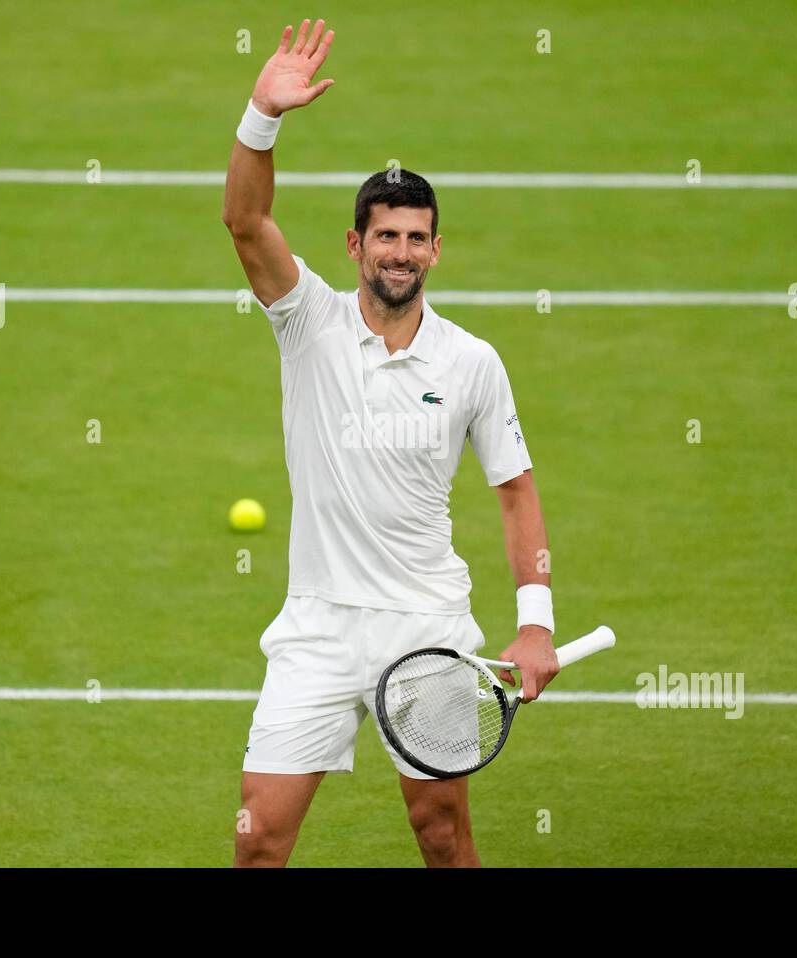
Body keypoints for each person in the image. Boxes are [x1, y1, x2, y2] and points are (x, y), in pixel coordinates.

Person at [222, 19, 559, 868]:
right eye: (385, 235)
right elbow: (244, 219)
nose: (400, 252)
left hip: (428, 629)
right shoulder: (309, 322)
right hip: (318, 628)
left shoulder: (473, 362)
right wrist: (262, 116)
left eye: (415, 237)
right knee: (258, 840)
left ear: (435, 250)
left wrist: (535, 623)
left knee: (443, 836)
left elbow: (515, 488)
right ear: (354, 245)